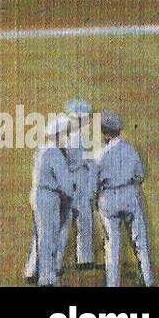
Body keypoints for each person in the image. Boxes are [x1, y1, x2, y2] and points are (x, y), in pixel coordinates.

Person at [94, 110, 155, 287]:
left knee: (112, 245)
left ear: (105, 133)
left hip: (108, 199)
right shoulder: (131, 150)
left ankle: (112, 284)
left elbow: (94, 183)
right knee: (140, 242)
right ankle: (148, 280)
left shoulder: (100, 155)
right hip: (129, 194)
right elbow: (140, 175)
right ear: (119, 130)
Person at [25, 114, 75, 286]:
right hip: (49, 197)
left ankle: (32, 270)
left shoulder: (42, 149)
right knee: (49, 236)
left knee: (40, 235)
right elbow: (66, 184)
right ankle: (46, 278)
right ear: (58, 134)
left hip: (38, 194)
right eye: (65, 134)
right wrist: (73, 194)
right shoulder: (55, 153)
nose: (68, 137)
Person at [59, 98, 96, 271]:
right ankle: (84, 258)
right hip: (80, 179)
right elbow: (91, 163)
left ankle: (57, 260)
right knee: (83, 220)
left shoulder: (66, 139)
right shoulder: (82, 139)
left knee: (65, 222)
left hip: (69, 180)